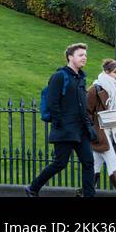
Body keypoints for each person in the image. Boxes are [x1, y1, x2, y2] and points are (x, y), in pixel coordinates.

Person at [27, 43, 97, 197]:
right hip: (65, 129)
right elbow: (53, 102)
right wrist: (60, 121)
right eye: (80, 55)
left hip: (81, 129)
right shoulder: (60, 76)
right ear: (70, 57)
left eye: (85, 55)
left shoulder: (80, 78)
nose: (84, 58)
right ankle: (33, 188)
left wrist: (88, 124)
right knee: (60, 163)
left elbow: (81, 105)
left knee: (88, 163)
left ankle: (89, 196)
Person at [87, 59, 116, 196]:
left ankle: (85, 192)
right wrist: (92, 131)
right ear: (106, 72)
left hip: (114, 131)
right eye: (115, 72)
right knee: (113, 161)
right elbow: (86, 112)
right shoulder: (95, 89)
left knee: (95, 164)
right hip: (100, 132)